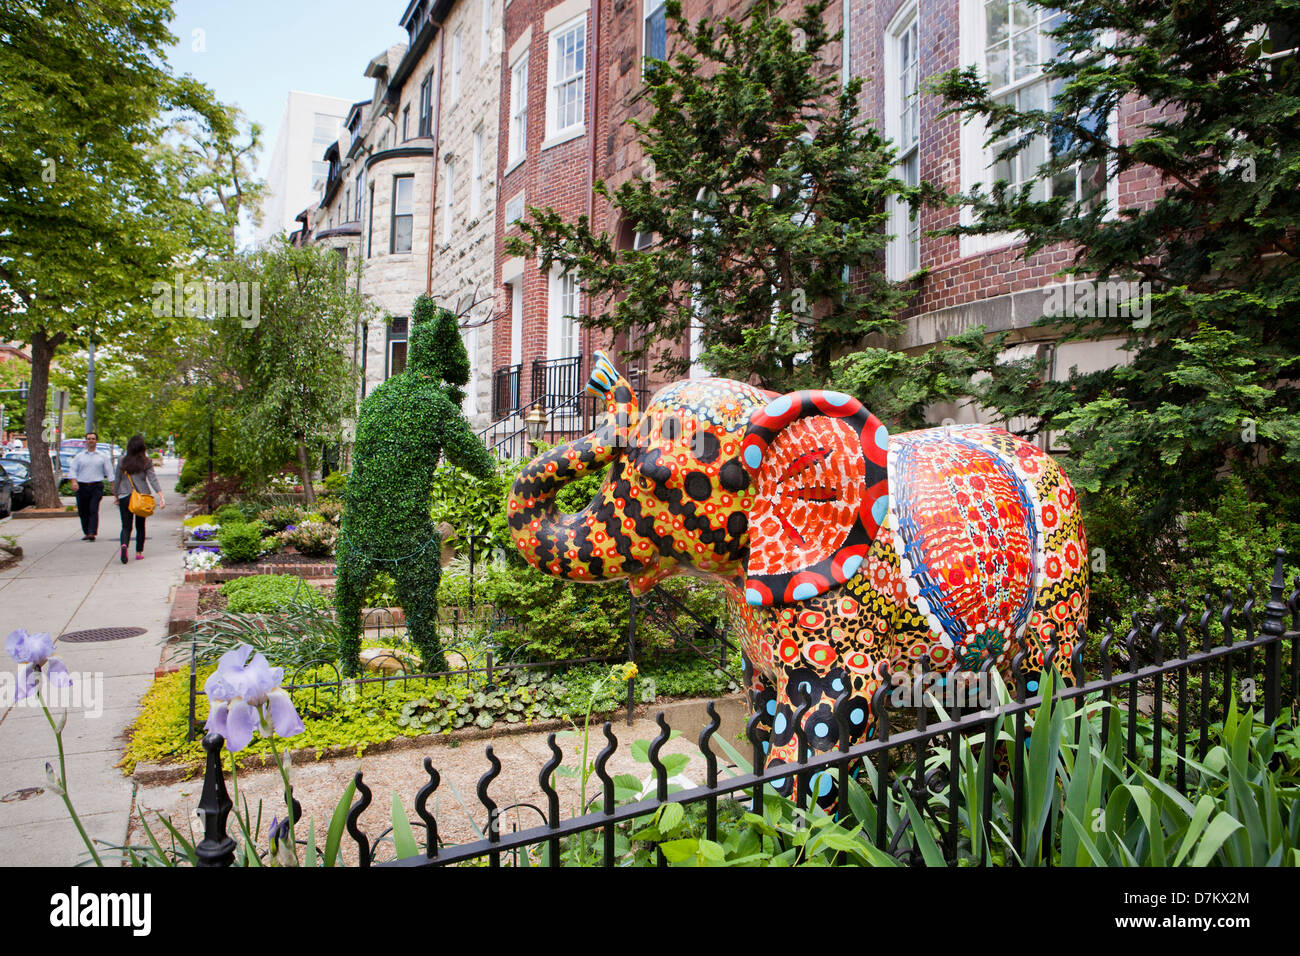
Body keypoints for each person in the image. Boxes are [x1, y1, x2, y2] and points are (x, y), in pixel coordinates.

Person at [112, 434, 164, 563]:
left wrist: (116, 495)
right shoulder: (146, 462)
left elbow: (117, 479)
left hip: (125, 495)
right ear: (142, 447)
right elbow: (153, 479)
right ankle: (139, 552)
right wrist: (160, 495)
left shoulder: (122, 461)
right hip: (142, 496)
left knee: (126, 526)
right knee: (140, 525)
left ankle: (124, 545)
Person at [69, 432, 113, 541]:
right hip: (82, 486)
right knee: (83, 511)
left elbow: (109, 471)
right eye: (89, 439)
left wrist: (113, 485)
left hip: (96, 486)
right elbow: (73, 470)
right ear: (86, 441)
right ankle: (87, 531)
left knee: (93, 508)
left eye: (93, 438)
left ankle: (92, 532)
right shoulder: (80, 456)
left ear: (96, 441)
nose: (91, 440)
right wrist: (74, 482)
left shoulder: (102, 456)